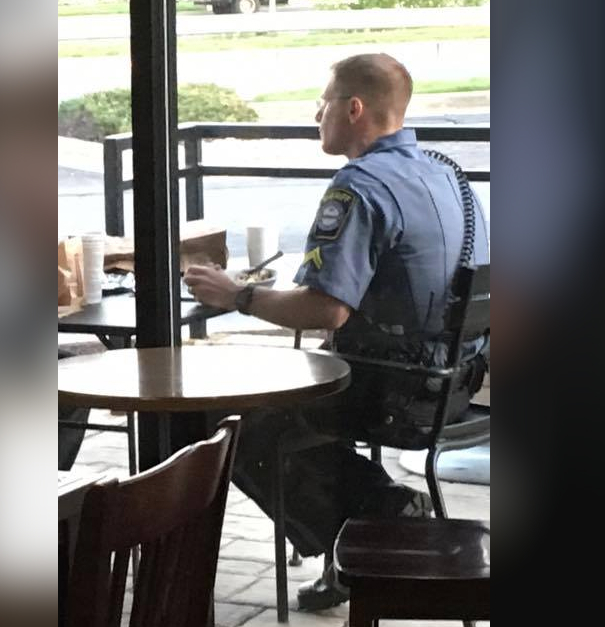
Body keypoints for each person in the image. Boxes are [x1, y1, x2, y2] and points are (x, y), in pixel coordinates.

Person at [183, 52, 490, 611]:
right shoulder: (447, 175)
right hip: (454, 386)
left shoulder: (360, 187)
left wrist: (236, 296)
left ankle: (377, 516)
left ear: (354, 109)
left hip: (392, 392)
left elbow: (326, 310)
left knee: (223, 418)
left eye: (323, 103)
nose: (315, 115)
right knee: (298, 396)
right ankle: (359, 537)